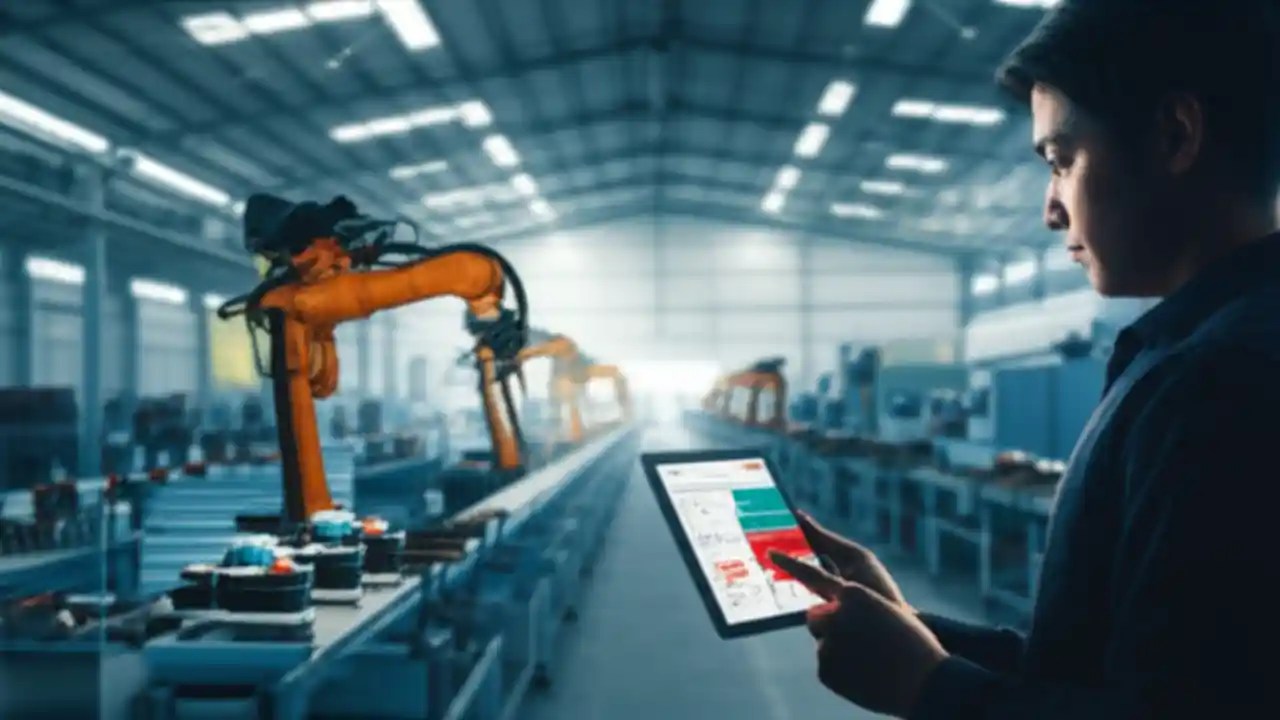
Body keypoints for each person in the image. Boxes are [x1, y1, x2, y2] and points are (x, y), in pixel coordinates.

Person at [769, 1, 1280, 718]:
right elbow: (1116, 671)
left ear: (1174, 135)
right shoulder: (1195, 355)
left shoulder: (1221, 382)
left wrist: (931, 689)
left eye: (1062, 161)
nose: (1050, 210)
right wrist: (914, 634)